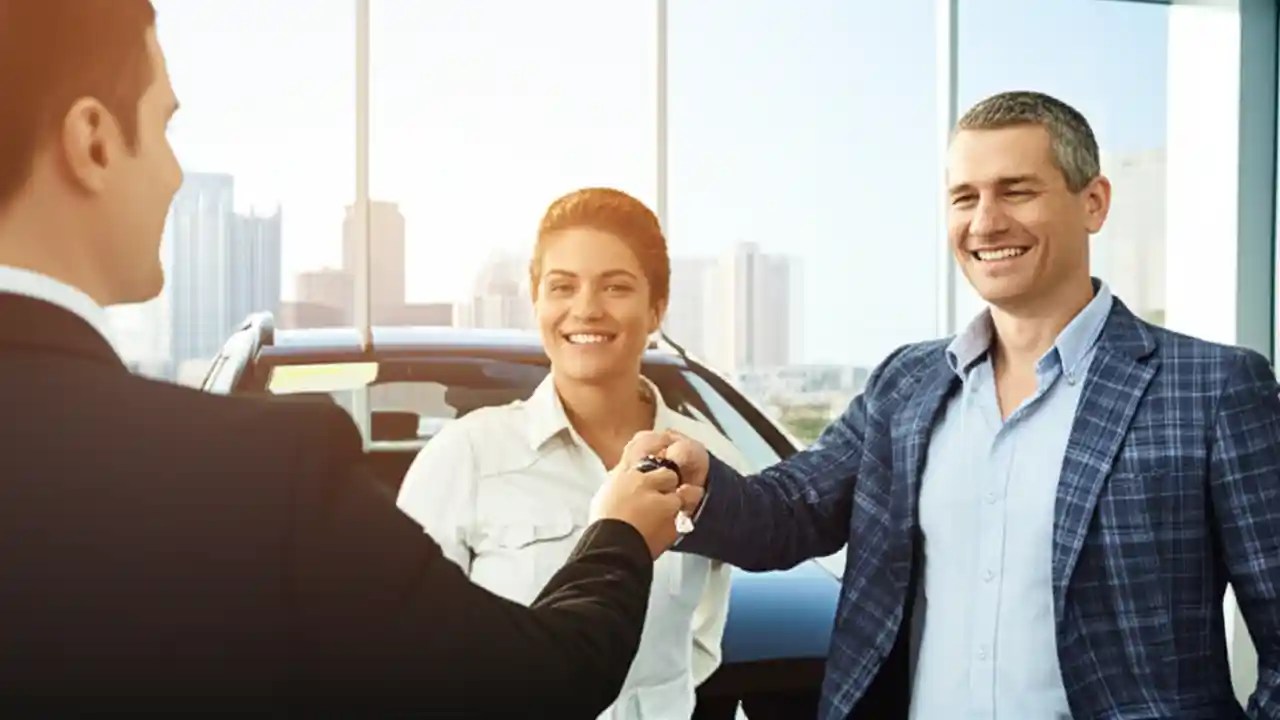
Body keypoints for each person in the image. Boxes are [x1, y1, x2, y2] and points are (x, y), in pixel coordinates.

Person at [0, 1, 704, 714]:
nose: (176, 173)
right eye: (163, 126)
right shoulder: (259, 478)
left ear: (656, 306)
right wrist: (617, 531)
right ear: (91, 140)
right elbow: (527, 684)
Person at [645, 90, 1280, 719]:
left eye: (1017, 190)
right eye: (964, 197)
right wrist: (700, 487)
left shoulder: (1215, 390)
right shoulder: (907, 383)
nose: (985, 221)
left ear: (1094, 202)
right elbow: (790, 513)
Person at [396, 187, 750, 719]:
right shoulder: (464, 456)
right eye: (562, 286)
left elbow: (700, 640)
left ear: (656, 308)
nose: (586, 309)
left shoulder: (706, 458)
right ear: (537, 301)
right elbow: (411, 653)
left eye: (616, 287)